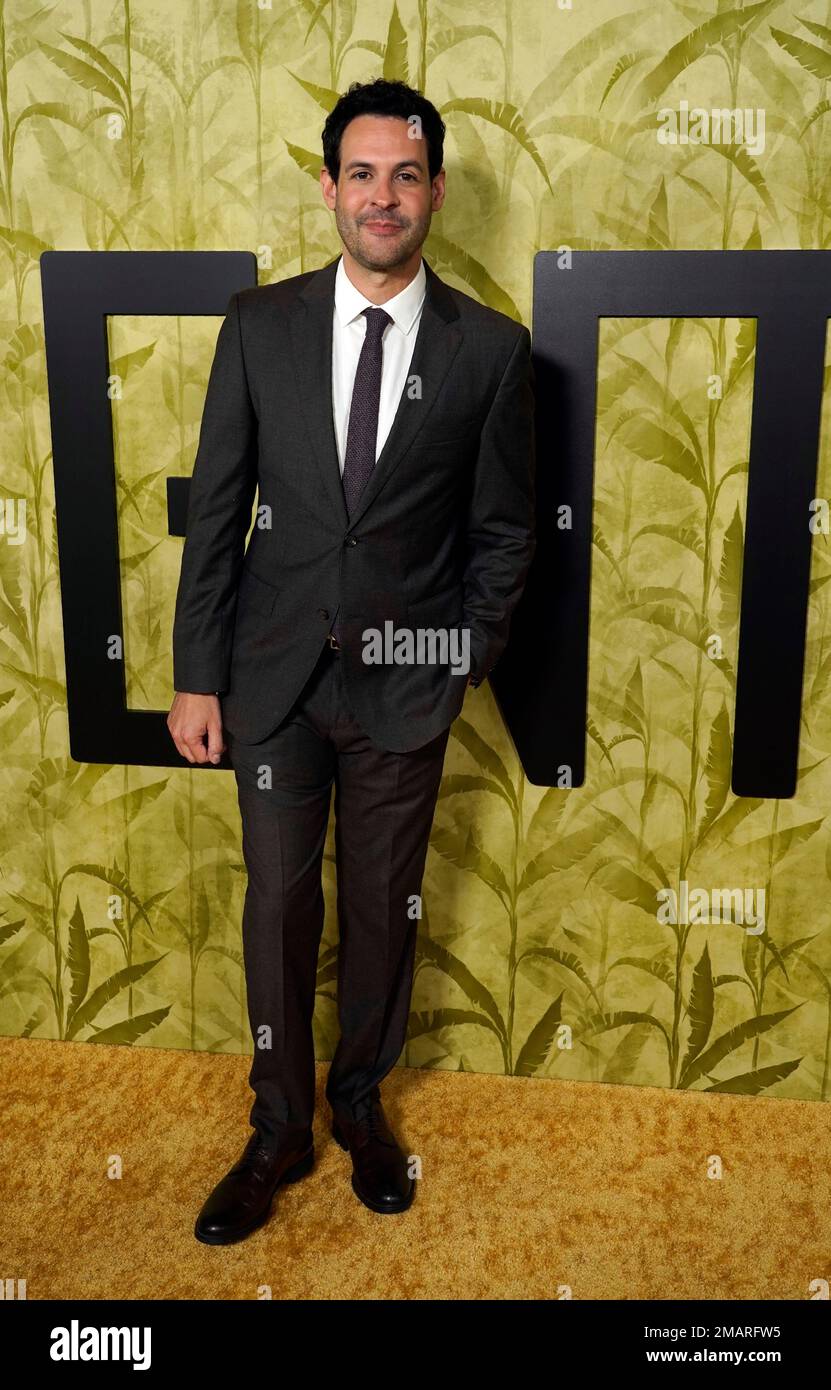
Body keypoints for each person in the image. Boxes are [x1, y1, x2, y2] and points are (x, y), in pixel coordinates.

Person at [167, 77, 536, 1245]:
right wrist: (195, 673)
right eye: (362, 173)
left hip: (403, 689)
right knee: (276, 907)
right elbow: (218, 511)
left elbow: (506, 529)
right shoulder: (257, 325)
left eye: (407, 174)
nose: (384, 197)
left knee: (384, 907)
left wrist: (462, 654)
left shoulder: (492, 351)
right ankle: (277, 1129)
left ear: (433, 191)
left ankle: (364, 1106)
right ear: (330, 187)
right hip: (271, 676)